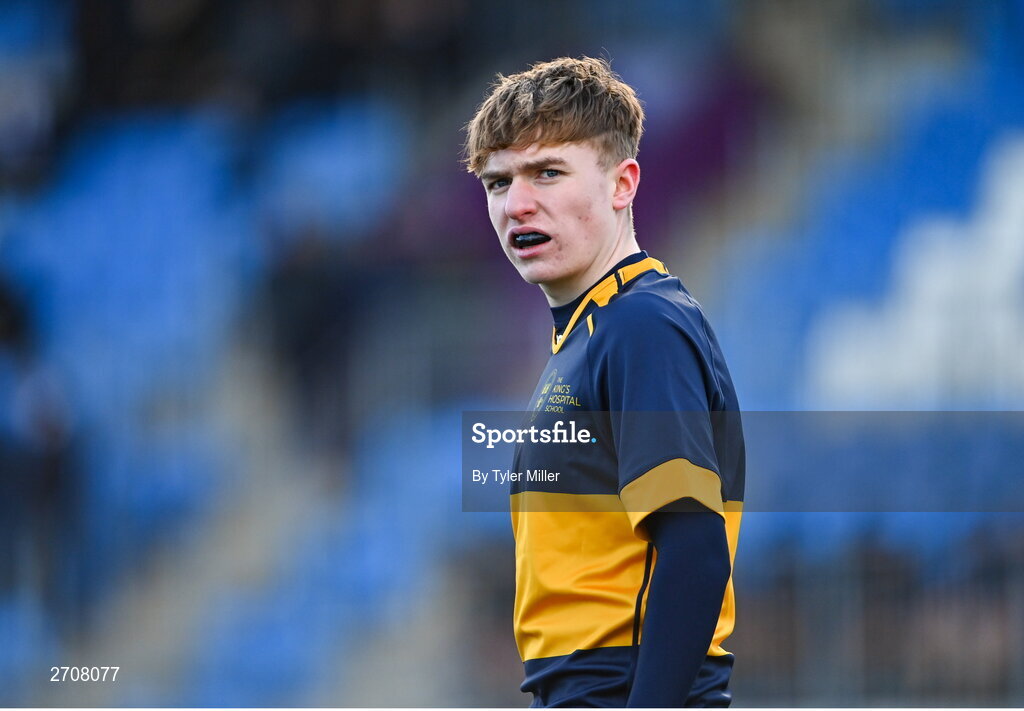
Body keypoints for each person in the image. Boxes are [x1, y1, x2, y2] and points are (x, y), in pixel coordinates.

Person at [463, 56, 745, 707]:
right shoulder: (589, 335)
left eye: (548, 172)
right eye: (498, 181)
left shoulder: (640, 325)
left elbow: (695, 549)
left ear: (622, 184)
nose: (517, 204)